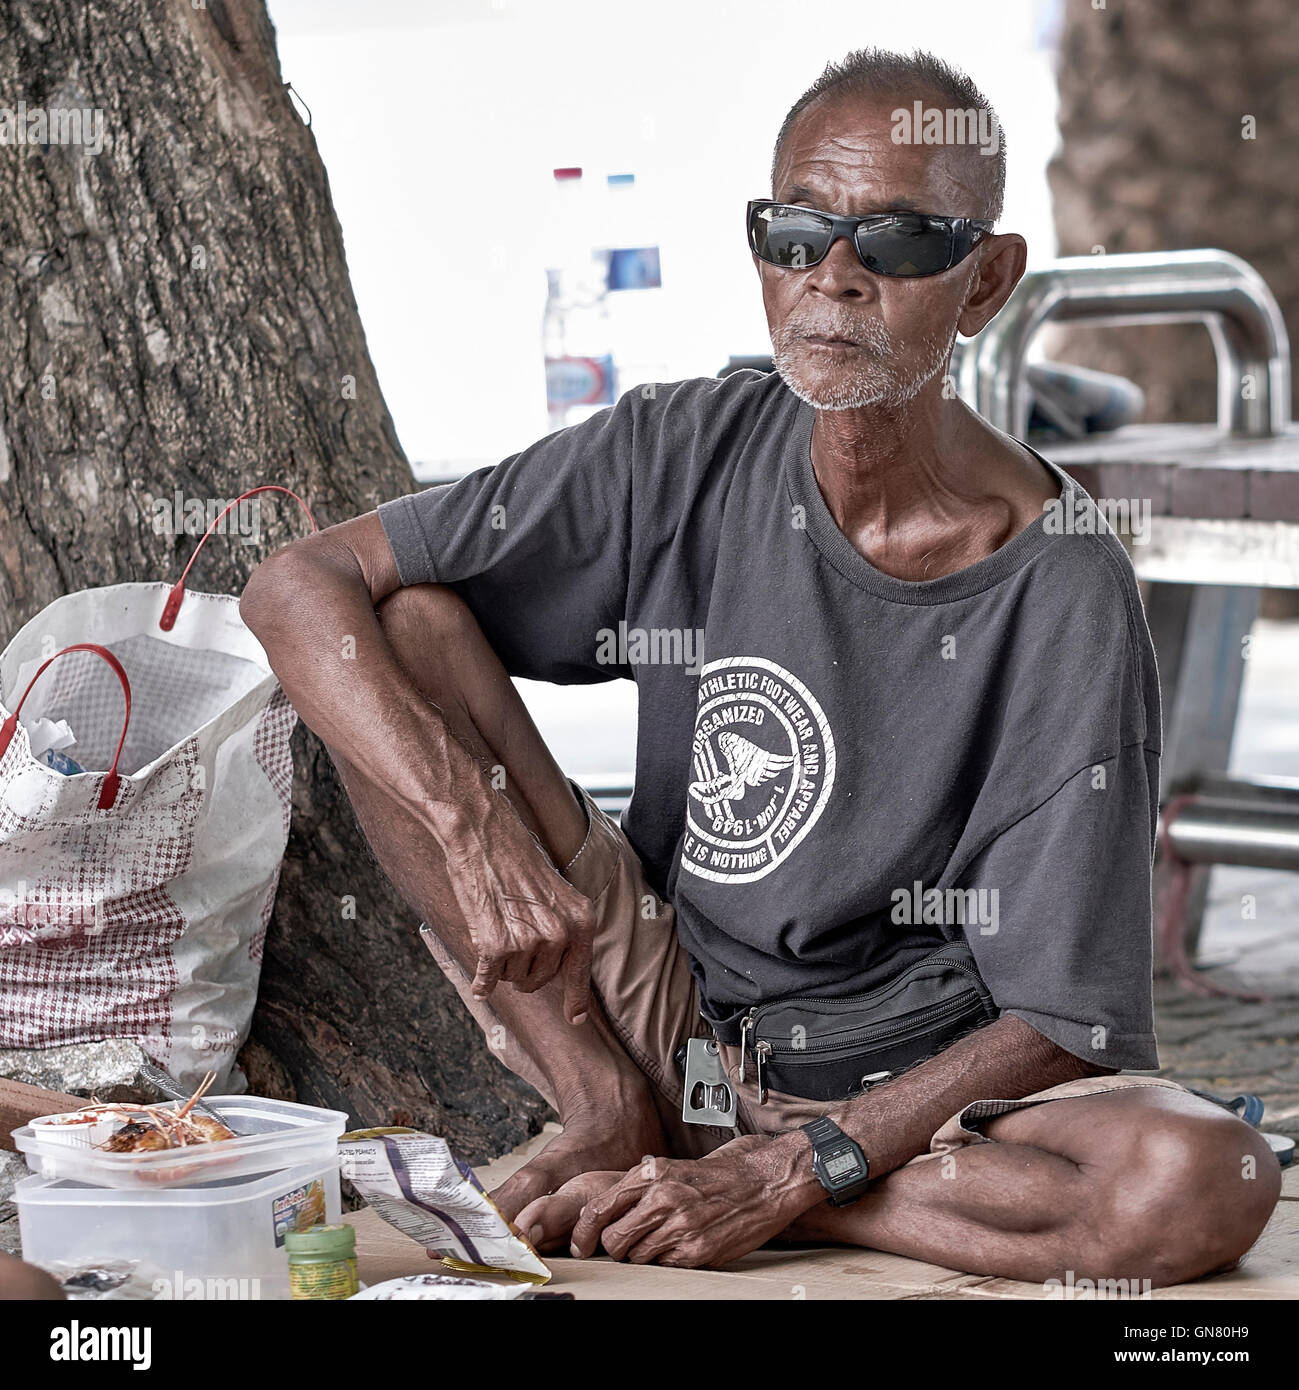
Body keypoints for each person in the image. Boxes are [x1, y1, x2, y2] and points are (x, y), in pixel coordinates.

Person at [240, 48, 1279, 1283]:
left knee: (1199, 1180)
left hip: (911, 1093)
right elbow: (295, 585)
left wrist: (803, 1167)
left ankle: (736, 1180)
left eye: (894, 243)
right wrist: (471, 829)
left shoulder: (1059, 587)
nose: (831, 279)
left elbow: (1062, 1021)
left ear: (986, 279)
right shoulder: (682, 446)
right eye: (794, 234)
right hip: (668, 1014)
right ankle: (610, 1115)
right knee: (409, 626)